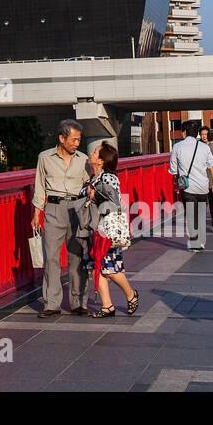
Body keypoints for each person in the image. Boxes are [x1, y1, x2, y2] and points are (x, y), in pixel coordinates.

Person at [31, 120, 93, 318]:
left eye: (79, 140)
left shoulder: (84, 159)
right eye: (74, 140)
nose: (77, 143)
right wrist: (36, 213)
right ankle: (51, 303)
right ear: (62, 138)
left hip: (78, 208)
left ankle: (78, 302)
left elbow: (89, 184)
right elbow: (40, 186)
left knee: (77, 257)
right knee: (51, 258)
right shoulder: (45, 158)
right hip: (53, 208)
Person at [78, 143, 140, 318]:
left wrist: (94, 194)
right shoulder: (94, 178)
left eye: (96, 152)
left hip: (108, 230)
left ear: (101, 161)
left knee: (110, 269)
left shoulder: (109, 178)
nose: (92, 152)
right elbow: (81, 192)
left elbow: (114, 201)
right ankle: (107, 306)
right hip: (97, 229)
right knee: (96, 266)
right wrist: (89, 190)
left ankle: (131, 294)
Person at [169, 121, 213, 251]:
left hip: (187, 187)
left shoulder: (177, 147)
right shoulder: (204, 147)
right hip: (203, 186)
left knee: (191, 214)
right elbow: (212, 165)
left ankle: (195, 242)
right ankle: (201, 241)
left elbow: (173, 170)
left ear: (184, 132)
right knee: (201, 213)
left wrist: (176, 181)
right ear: (197, 133)